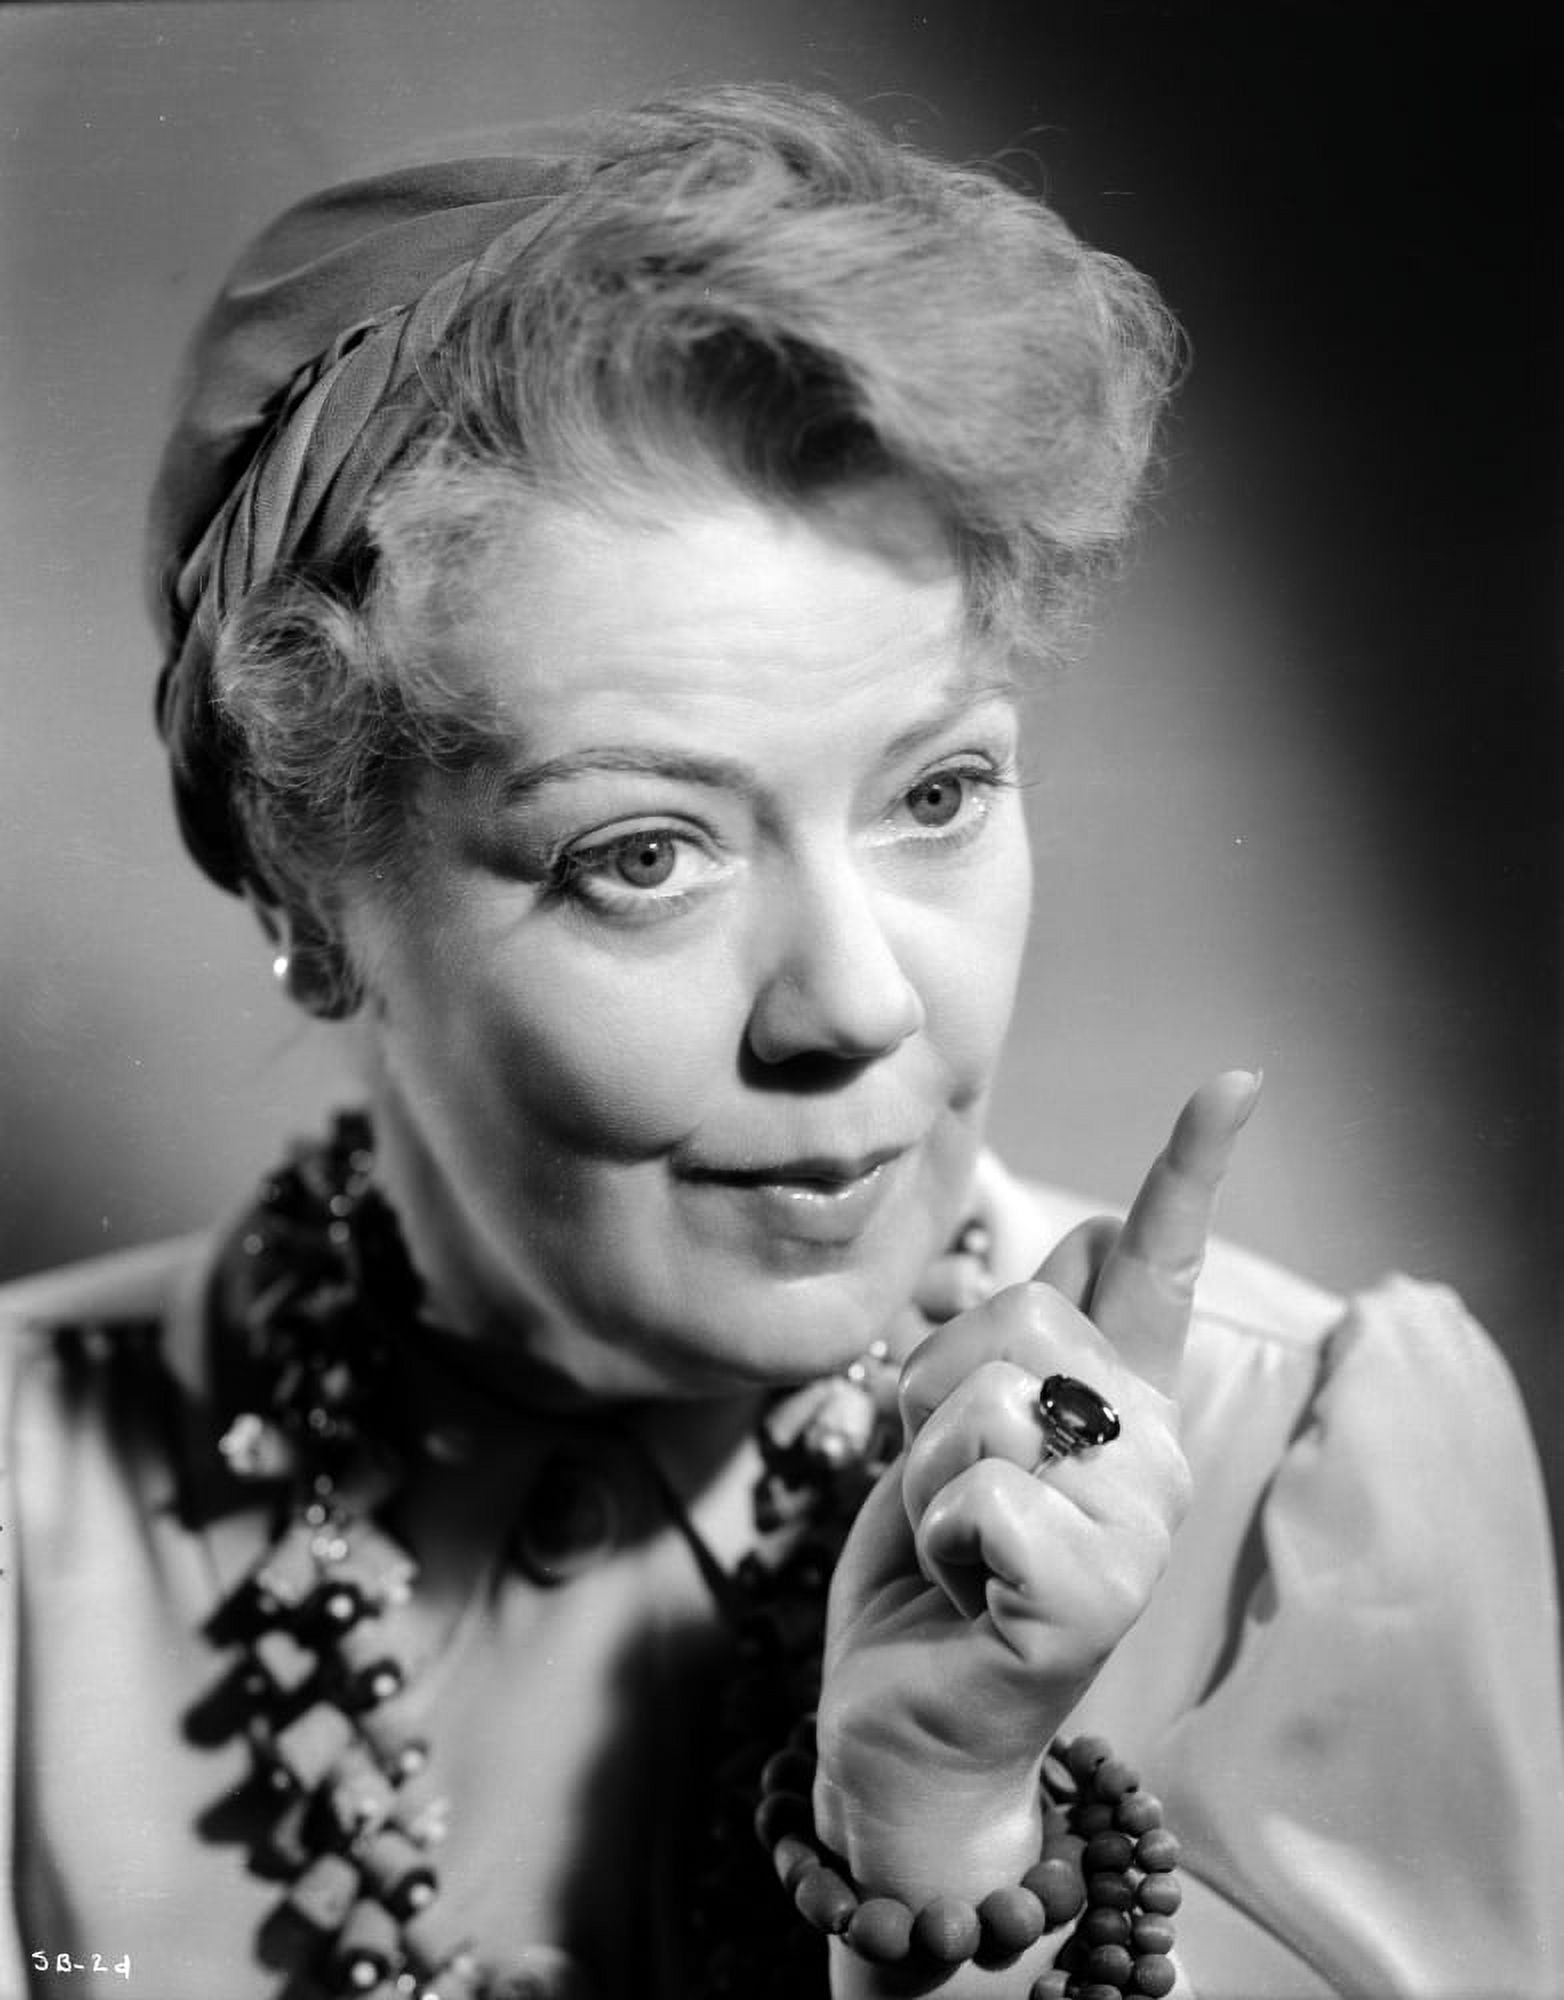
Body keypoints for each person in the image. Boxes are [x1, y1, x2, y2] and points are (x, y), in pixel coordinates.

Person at [1, 81, 1559, 2000]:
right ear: (310, 902)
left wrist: (943, 1835)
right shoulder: (24, 1513)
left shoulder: (1303, 1489)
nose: (863, 1002)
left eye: (937, 794)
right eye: (643, 854)